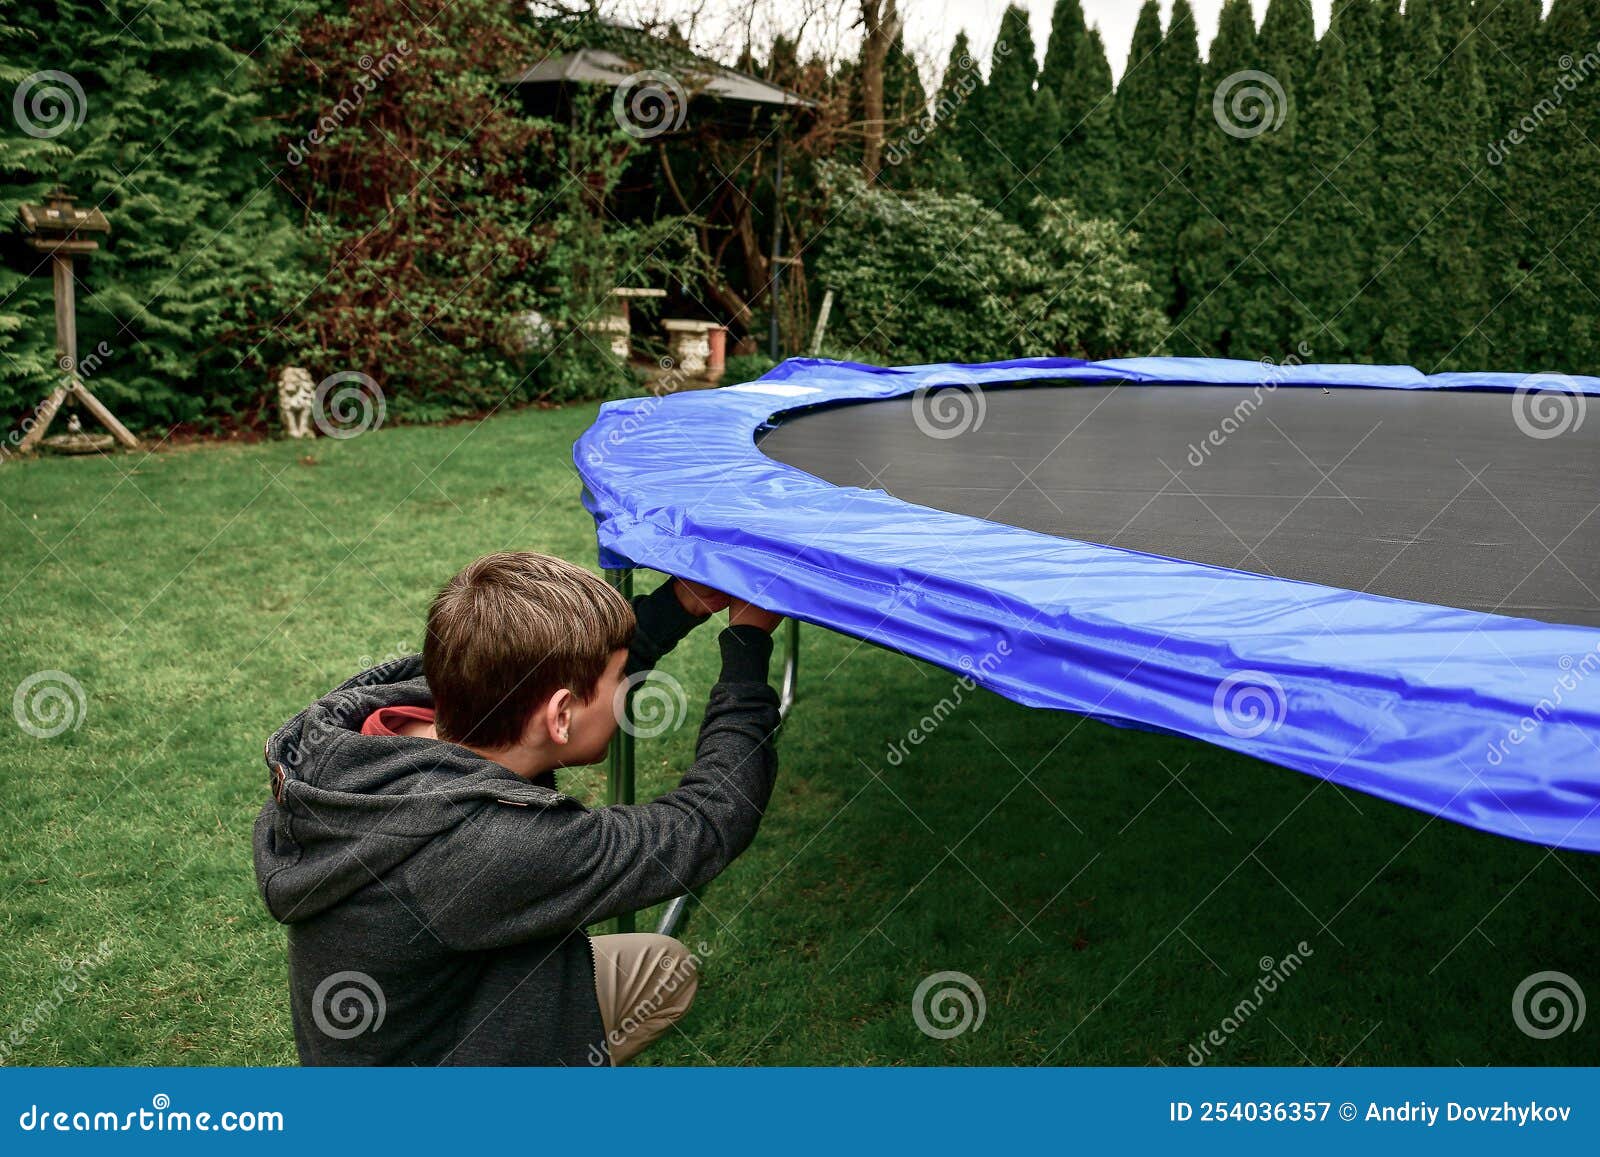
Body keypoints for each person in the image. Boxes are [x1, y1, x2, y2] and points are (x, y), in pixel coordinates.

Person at [252, 551, 782, 1065]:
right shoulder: (491, 850)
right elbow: (708, 822)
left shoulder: (395, 724)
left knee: (663, 970)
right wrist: (747, 645)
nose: (628, 687)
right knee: (661, 973)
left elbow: (551, 679)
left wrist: (678, 604)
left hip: (384, 1045)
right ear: (560, 716)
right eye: (621, 680)